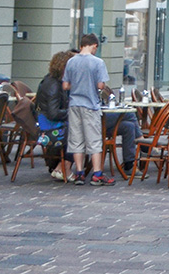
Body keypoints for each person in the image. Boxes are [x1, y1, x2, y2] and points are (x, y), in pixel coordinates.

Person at [61, 34, 114, 186]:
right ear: (94, 46)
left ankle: (79, 173)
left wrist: (76, 85)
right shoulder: (98, 62)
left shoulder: (71, 61)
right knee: (94, 140)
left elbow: (65, 86)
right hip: (90, 104)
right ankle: (97, 174)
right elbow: (100, 86)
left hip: (74, 104)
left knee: (76, 139)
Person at [36, 50, 74, 181]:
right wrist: (72, 112)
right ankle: (64, 167)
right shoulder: (54, 85)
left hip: (49, 123)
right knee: (79, 132)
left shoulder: (53, 80)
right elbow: (53, 113)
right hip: (50, 129)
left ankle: (62, 166)